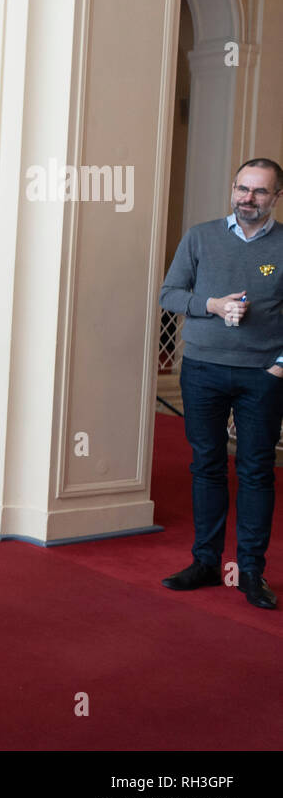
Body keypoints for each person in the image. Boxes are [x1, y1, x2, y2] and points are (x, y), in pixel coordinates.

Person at [158, 157, 283, 610]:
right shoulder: (201, 236)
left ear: (275, 198)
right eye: (241, 189)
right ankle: (207, 562)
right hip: (203, 369)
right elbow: (168, 294)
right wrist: (211, 304)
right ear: (233, 189)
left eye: (259, 192)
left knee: (255, 472)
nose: (248, 198)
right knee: (207, 466)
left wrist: (279, 366)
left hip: (262, 376)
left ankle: (251, 571)